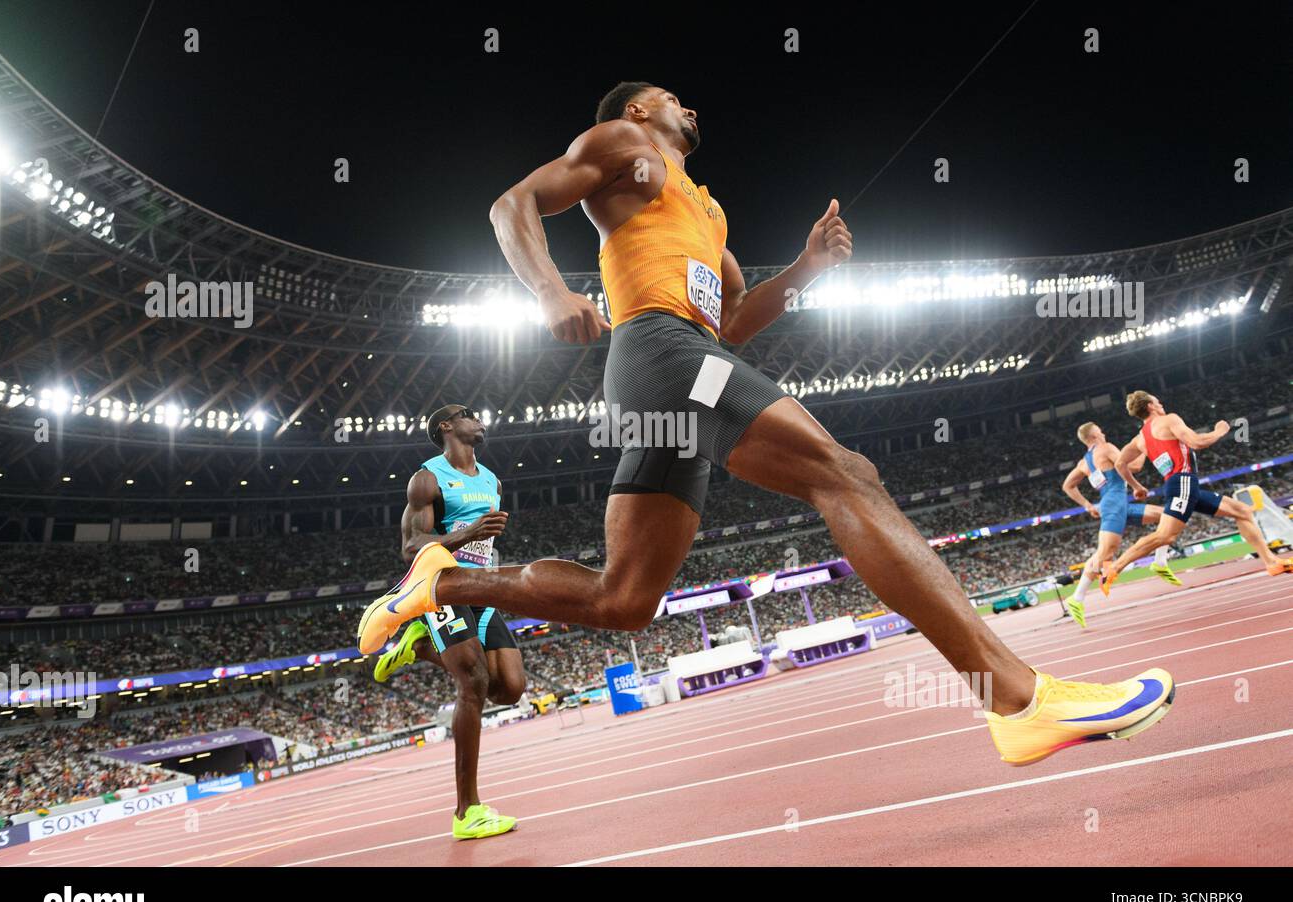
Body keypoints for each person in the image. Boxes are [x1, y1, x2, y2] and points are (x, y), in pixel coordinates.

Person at [359, 82, 1175, 766]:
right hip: (656, 350)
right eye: (668, 95)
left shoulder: (705, 216)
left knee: (624, 598)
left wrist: (810, 268)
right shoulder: (621, 143)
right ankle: (1017, 697)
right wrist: (548, 292)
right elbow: (514, 206)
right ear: (640, 110)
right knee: (845, 472)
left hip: (684, 364)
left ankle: (437, 584)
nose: (685, 104)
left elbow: (735, 324)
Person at [368, 403, 527, 839]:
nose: (479, 419)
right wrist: (466, 533)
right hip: (443, 588)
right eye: (468, 413)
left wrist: (482, 539)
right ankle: (466, 812)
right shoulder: (428, 477)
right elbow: (410, 546)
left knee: (510, 689)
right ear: (446, 426)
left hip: (484, 588)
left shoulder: (493, 479)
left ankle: (419, 646)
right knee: (472, 683)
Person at [1101, 391, 1292, 590]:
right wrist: (1220, 430)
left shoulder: (1139, 439)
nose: (1161, 403)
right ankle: (1115, 567)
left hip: (1183, 485)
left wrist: (1136, 486)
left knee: (1242, 511)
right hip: (1182, 482)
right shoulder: (1169, 419)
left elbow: (1121, 463)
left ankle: (1271, 562)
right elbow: (1197, 442)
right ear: (1150, 405)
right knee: (1165, 535)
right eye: (1157, 401)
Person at [1060, 421, 1180, 628]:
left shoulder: (1083, 462)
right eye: (1100, 430)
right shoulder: (1106, 448)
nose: (1104, 432)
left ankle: (1160, 561)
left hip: (1117, 503)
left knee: (1168, 516)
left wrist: (1088, 505)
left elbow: (1068, 485)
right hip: (1114, 504)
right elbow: (1133, 466)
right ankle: (1076, 598)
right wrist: (1143, 448)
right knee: (1105, 555)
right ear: (1094, 435)